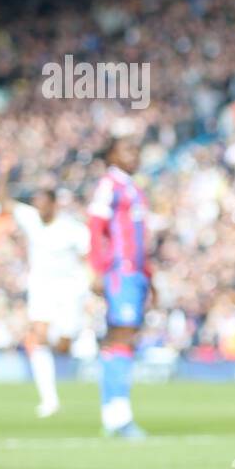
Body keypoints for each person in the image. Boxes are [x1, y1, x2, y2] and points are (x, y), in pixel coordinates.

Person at [0, 155, 90, 418]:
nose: (38, 207)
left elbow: (88, 257)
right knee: (37, 337)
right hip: (41, 287)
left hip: (69, 290)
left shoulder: (72, 228)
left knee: (63, 345)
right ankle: (49, 400)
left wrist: (91, 285)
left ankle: (78, 344)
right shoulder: (30, 218)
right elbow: (3, 201)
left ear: (54, 204)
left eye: (42, 202)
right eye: (36, 202)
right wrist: (3, 173)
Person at [87, 136, 151, 439]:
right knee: (121, 337)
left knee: (124, 339)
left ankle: (114, 412)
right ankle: (118, 414)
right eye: (128, 149)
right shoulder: (109, 185)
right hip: (120, 272)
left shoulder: (133, 188)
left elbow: (141, 237)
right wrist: (97, 268)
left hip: (135, 274)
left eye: (137, 149)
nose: (134, 155)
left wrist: (149, 276)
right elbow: (95, 226)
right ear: (111, 154)